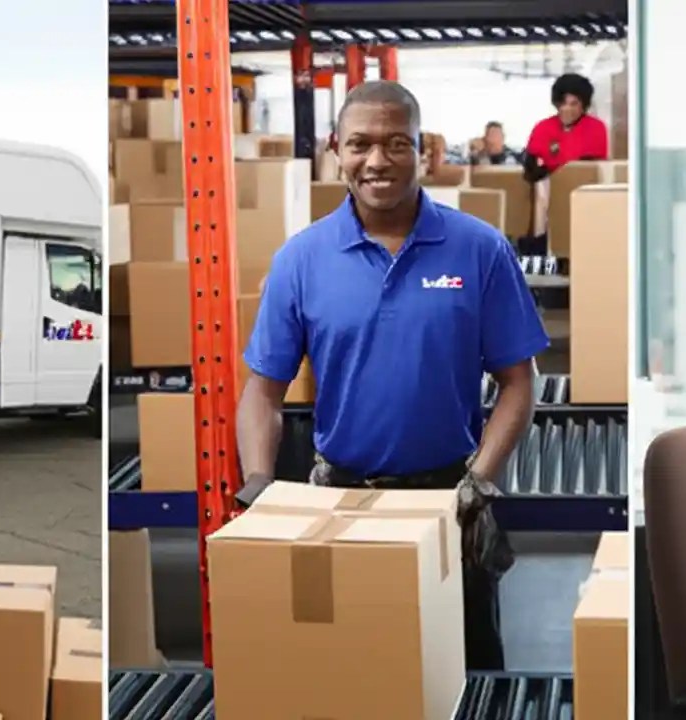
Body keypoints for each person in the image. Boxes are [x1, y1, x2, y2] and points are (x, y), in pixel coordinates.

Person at [235, 80, 549, 671]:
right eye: (360, 144)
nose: (377, 161)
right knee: (356, 677)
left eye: (396, 144)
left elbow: (518, 380)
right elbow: (263, 391)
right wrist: (258, 479)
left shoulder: (479, 250)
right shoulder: (302, 259)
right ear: (336, 148)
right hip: (341, 503)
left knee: (464, 671)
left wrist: (480, 482)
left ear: (423, 152)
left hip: (450, 504)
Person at [520, 73, 610, 255]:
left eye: (573, 104)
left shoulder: (595, 128)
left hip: (580, 193)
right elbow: (530, 160)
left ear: (584, 105)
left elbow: (589, 167)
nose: (567, 109)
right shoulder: (543, 127)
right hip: (546, 194)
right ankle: (537, 246)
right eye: (563, 103)